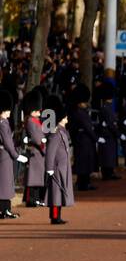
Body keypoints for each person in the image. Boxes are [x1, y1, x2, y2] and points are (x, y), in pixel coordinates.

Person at [43, 94, 73, 225]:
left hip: (62, 167)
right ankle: (55, 217)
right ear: (60, 118)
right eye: (65, 117)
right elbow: (50, 152)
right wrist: (49, 168)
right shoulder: (55, 133)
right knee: (55, 193)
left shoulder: (61, 131)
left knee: (60, 193)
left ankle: (58, 215)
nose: (67, 119)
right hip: (56, 168)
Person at [21, 89, 46, 207]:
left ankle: (35, 199)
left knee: (37, 178)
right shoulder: (30, 121)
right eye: (37, 110)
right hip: (35, 151)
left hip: (39, 152)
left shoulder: (35, 120)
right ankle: (30, 199)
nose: (39, 112)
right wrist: (43, 143)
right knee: (32, 178)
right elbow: (36, 137)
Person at [0, 88, 19, 218]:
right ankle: (4, 210)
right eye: (7, 110)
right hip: (5, 155)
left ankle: (5, 209)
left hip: (5, 155)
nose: (9, 112)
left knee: (5, 183)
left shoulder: (3, 122)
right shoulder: (2, 123)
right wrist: (16, 155)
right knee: (5, 184)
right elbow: (7, 142)